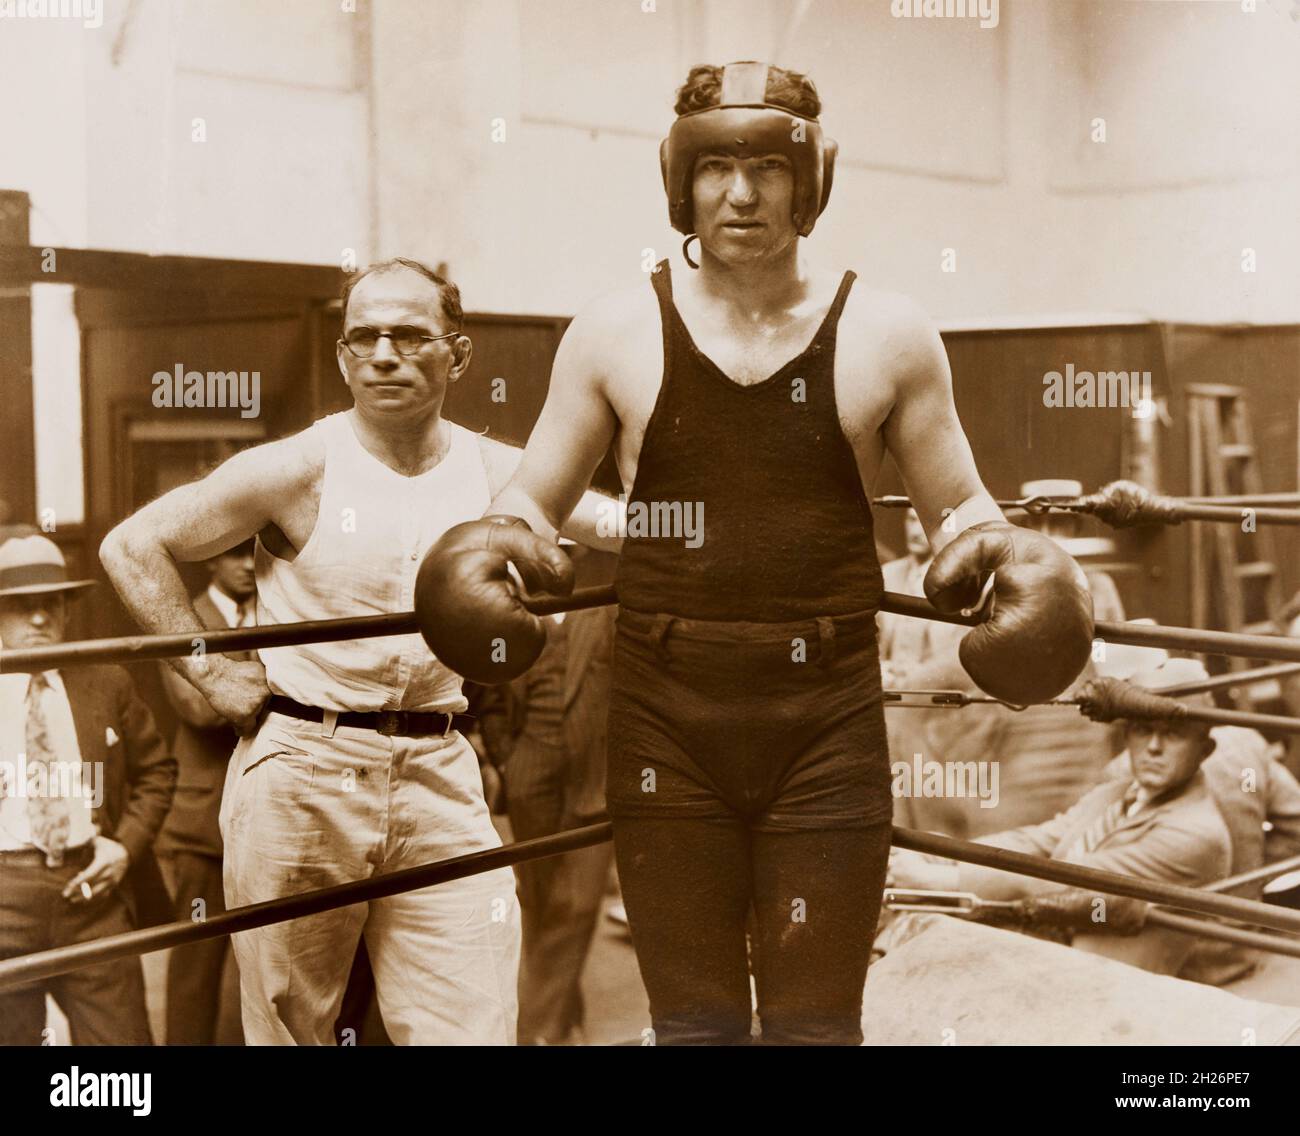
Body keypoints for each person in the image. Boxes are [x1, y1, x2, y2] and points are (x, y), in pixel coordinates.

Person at [416, 62, 1093, 1045]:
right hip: (664, 723)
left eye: (768, 167)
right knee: (693, 1024)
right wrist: (497, 549)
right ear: (678, 180)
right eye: (717, 166)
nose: (741, 193)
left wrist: (1003, 556)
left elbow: (961, 507)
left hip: (826, 723)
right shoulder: (612, 329)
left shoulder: (888, 332)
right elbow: (531, 498)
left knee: (817, 1023)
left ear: (810, 178)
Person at [100, 258, 620, 1046]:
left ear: (458, 353)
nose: (384, 354)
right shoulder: (299, 467)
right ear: (343, 357)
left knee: (473, 1020)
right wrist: (208, 671)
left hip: (439, 766)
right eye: (364, 338)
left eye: (409, 336)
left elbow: (622, 525)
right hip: (305, 764)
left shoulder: (493, 469)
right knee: (290, 1028)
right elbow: (133, 545)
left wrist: (735, 518)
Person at [889, 657, 1234, 976]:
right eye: (1143, 730)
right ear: (1127, 735)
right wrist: (943, 860)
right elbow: (1036, 841)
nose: (1154, 747)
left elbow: (1063, 881)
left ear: (1205, 750)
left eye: (1172, 734)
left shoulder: (1196, 832)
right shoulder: (1115, 793)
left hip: (1102, 993)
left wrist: (938, 881)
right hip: (1052, 961)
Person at [0, 527, 175, 1045]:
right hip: (4, 898)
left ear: (67, 609)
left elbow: (157, 771)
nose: (38, 618)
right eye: (21, 605)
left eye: (51, 604)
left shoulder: (105, 682)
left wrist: (124, 847)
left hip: (93, 895)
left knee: (120, 1066)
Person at [476, 543, 619, 1045]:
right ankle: (560, 1019)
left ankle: (537, 1033)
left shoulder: (606, 586)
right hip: (530, 772)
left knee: (577, 908)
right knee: (538, 909)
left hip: (596, 777)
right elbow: (488, 694)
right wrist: (509, 760)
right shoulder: (503, 597)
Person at [155, 538, 254, 1045]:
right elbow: (200, 708)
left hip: (268, 816)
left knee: (266, 968)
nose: (247, 566)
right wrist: (273, 679)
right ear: (213, 558)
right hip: (203, 826)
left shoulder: (281, 610)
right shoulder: (181, 616)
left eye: (254, 554)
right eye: (236, 555)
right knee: (197, 964)